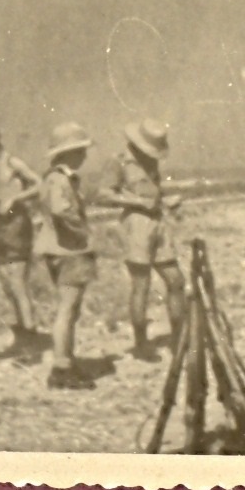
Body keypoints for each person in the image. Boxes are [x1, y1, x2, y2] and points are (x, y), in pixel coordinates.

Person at [99, 119, 186, 361]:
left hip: (158, 222)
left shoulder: (151, 162)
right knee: (142, 285)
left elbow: (153, 193)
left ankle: (179, 338)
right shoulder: (118, 161)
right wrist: (137, 202)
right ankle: (141, 345)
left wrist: (166, 201)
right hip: (136, 225)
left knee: (176, 280)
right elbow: (103, 194)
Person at [0, 119, 44, 364]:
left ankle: (32, 349)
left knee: (18, 285)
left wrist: (16, 199)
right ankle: (22, 341)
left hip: (17, 226)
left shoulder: (12, 161)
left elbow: (39, 184)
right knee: (7, 286)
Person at [35, 122, 97, 391]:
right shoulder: (59, 179)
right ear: (68, 153)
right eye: (80, 150)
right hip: (68, 250)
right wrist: (82, 232)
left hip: (58, 249)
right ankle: (62, 366)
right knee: (68, 309)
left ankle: (66, 362)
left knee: (69, 308)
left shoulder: (54, 178)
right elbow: (61, 211)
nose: (84, 155)